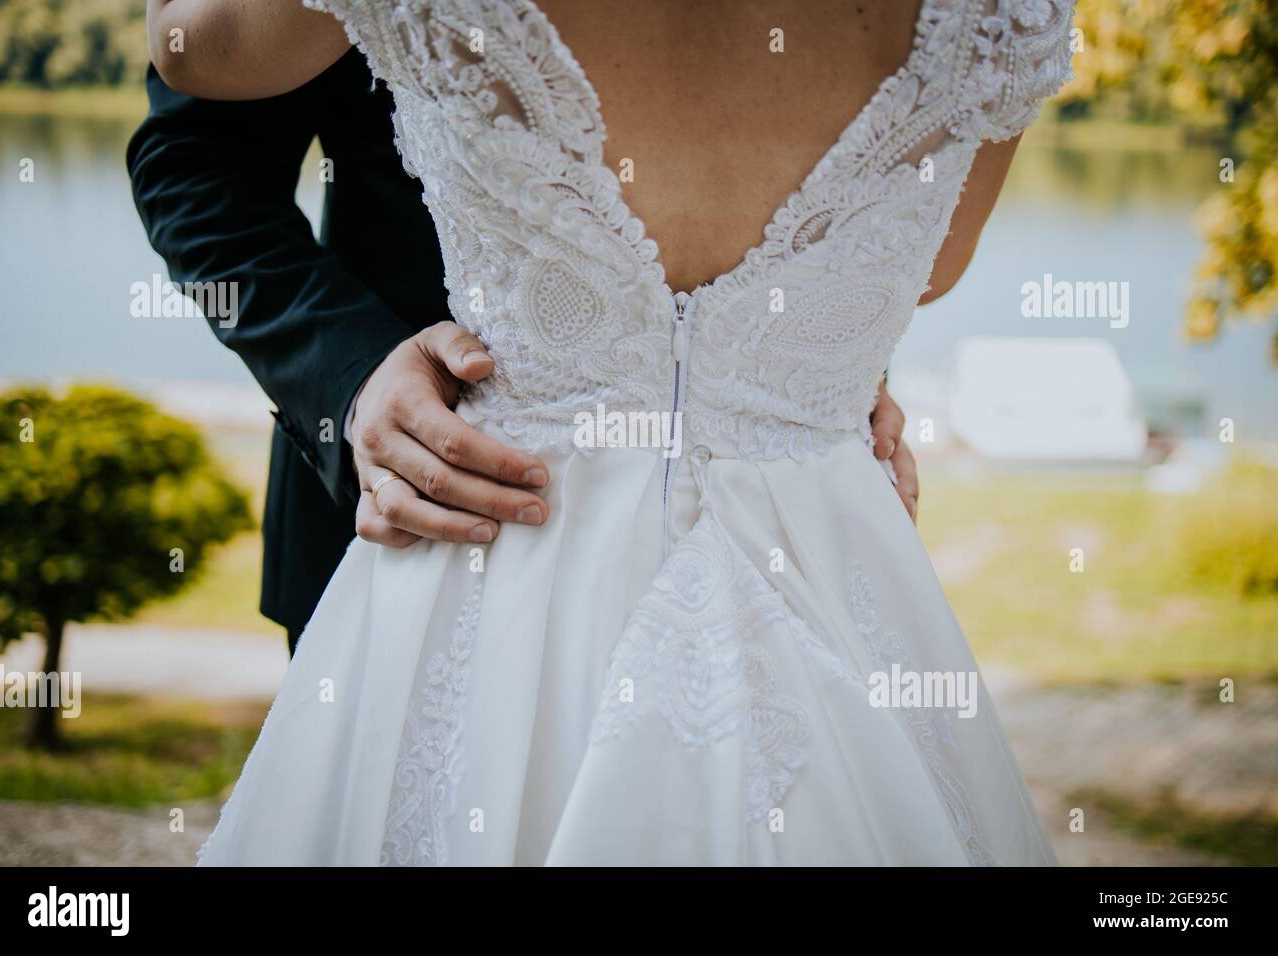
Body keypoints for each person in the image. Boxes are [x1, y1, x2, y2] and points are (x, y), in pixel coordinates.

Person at [149, 0, 1075, 865]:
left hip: (494, 556)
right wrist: (350, 381)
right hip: (461, 498)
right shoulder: (999, 17)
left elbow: (188, 43)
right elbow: (930, 257)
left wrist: (793, 361)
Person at [130, 0, 920, 657]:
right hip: (427, 524)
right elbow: (194, 159)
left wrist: (813, 345)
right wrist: (353, 377)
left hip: (783, 529)